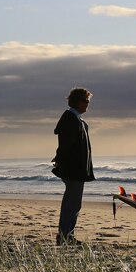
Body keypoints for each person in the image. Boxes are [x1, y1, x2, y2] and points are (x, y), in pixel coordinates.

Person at [51, 87, 95, 245]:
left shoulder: (76, 119)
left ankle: (66, 235)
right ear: (77, 101)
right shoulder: (71, 118)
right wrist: (60, 160)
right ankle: (65, 236)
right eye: (86, 101)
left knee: (73, 202)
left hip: (75, 168)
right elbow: (66, 144)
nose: (88, 104)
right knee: (72, 203)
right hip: (73, 169)